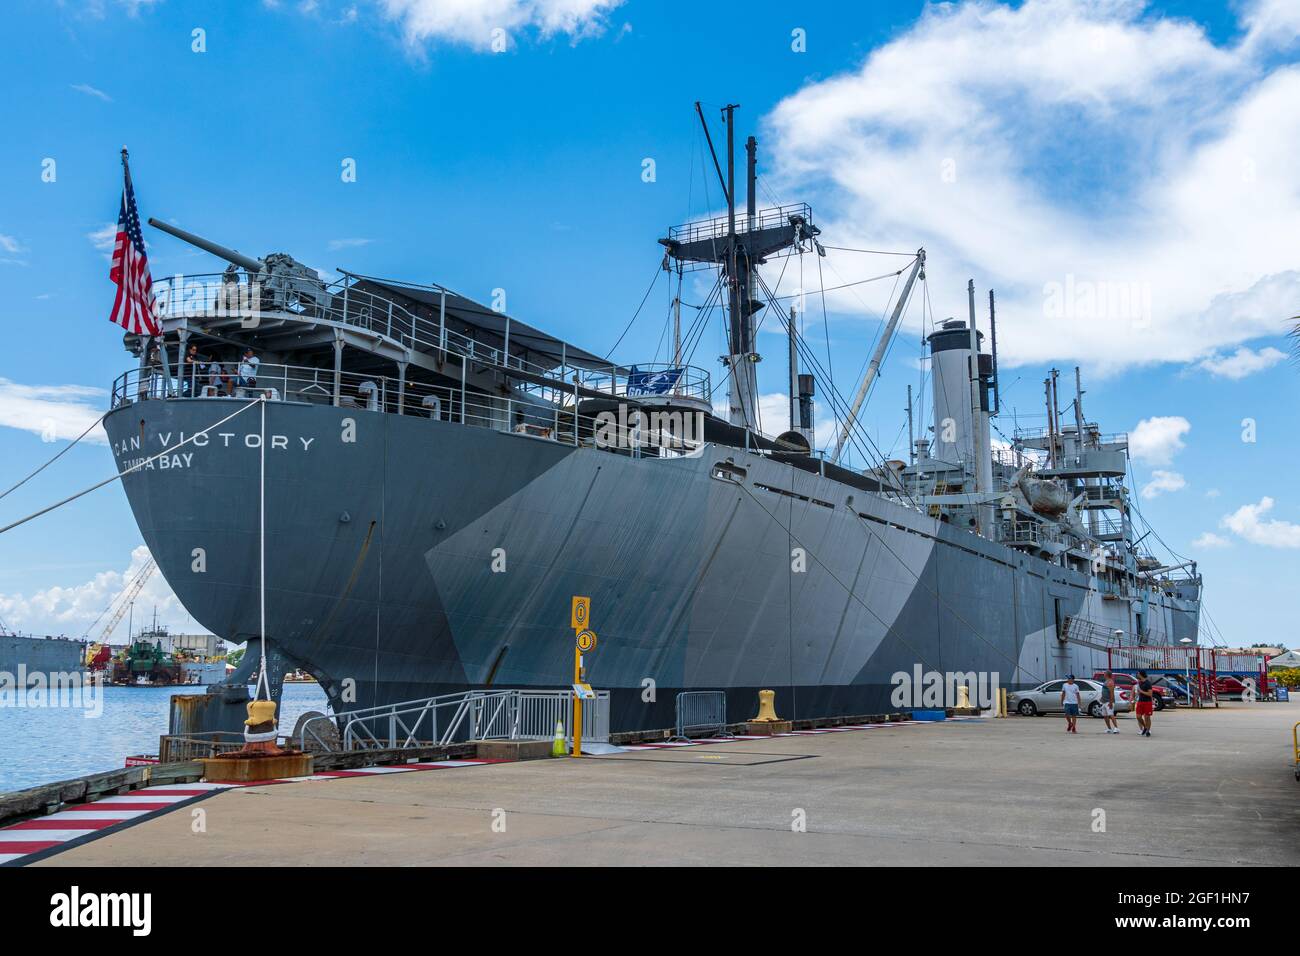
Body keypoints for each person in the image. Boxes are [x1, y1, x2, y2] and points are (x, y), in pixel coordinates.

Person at [1134, 670, 1156, 737]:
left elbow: (1150, 694)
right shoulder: (1139, 682)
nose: (1137, 675)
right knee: (1138, 717)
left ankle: (1148, 731)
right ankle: (1145, 727)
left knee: (1147, 717)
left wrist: (1141, 691)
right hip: (1140, 701)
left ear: (1141, 674)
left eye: (1138, 674)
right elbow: (1138, 692)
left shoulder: (1148, 683)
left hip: (1147, 702)